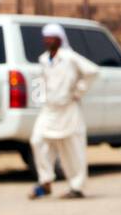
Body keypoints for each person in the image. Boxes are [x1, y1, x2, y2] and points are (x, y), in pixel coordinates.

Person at [28, 23, 100, 200]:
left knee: (72, 149)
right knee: (37, 140)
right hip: (49, 109)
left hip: (68, 109)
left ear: (59, 39)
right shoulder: (43, 59)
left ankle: (77, 187)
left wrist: (78, 91)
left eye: (51, 37)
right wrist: (38, 99)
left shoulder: (70, 57)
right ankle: (45, 181)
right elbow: (39, 80)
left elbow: (93, 71)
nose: (47, 41)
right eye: (46, 38)